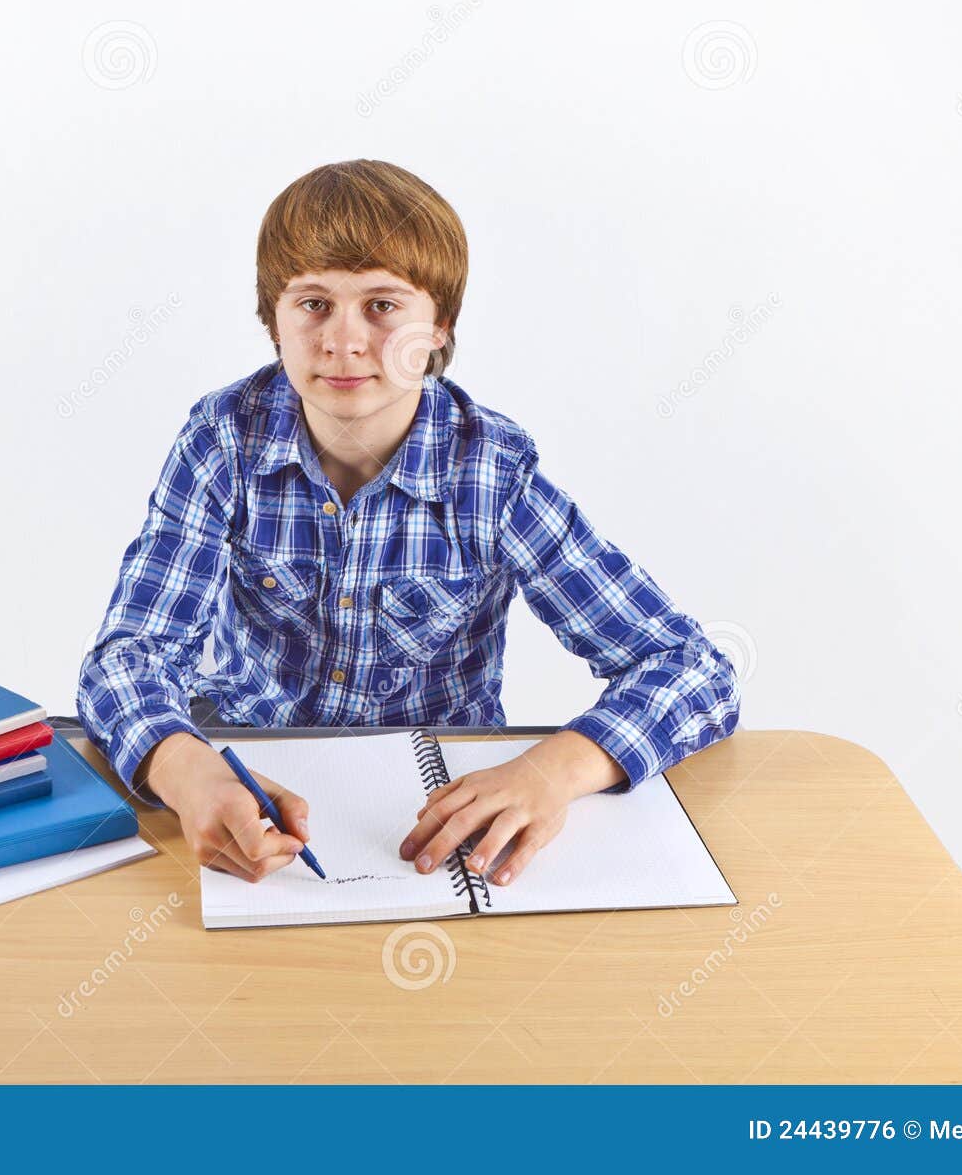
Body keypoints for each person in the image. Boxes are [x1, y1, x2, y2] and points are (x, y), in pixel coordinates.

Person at [76, 159, 740, 886]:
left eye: (383, 306)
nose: (345, 341)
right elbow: (128, 655)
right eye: (313, 304)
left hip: (432, 803)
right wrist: (182, 767)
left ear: (439, 326)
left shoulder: (489, 471)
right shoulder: (223, 440)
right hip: (249, 777)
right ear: (273, 320)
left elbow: (693, 670)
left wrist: (552, 771)